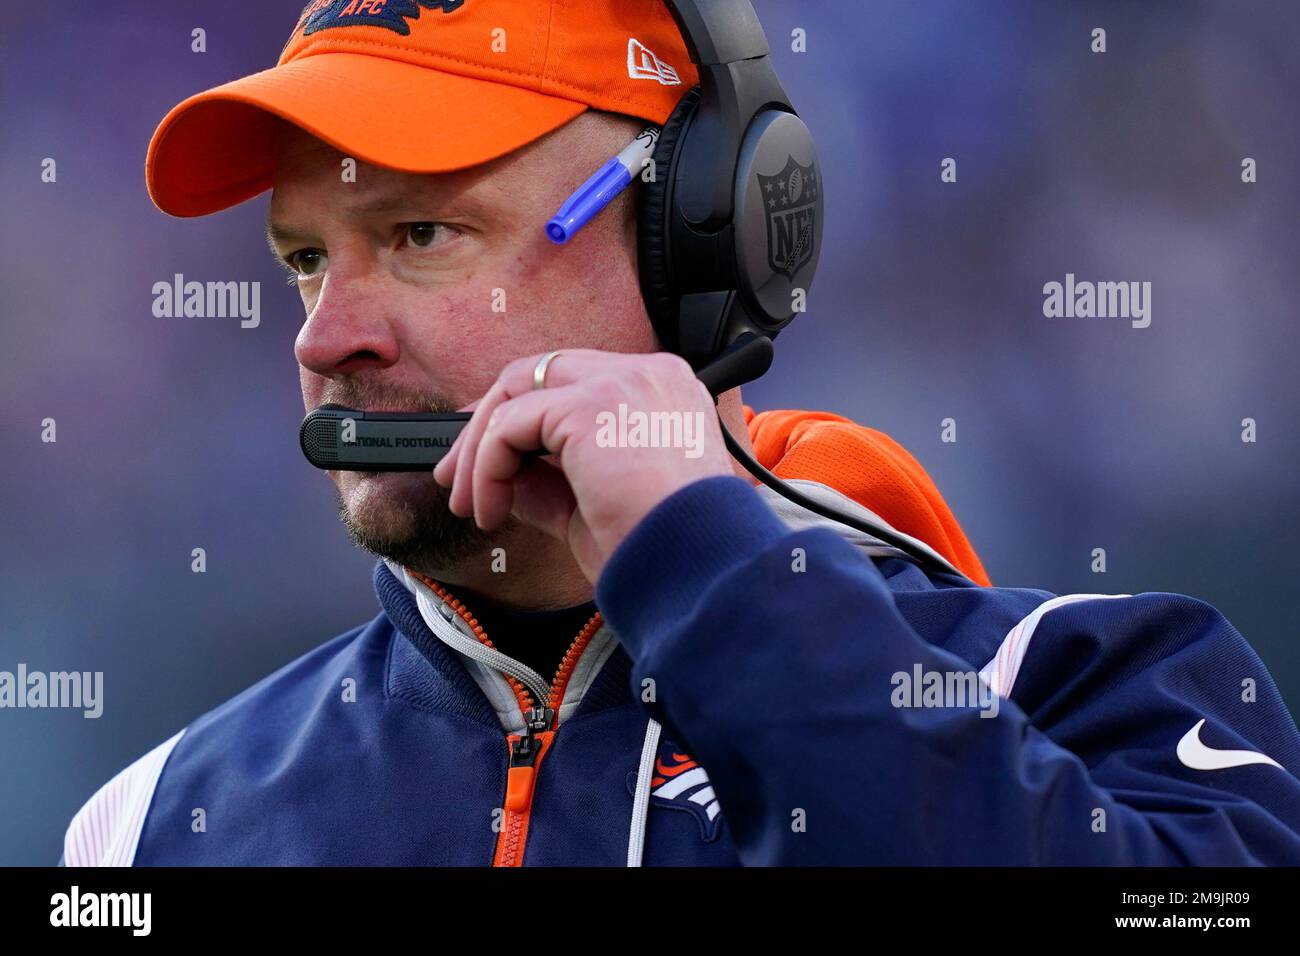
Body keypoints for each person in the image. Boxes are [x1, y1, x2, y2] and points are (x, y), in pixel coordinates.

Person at [63, 0, 1300, 866]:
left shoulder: (1098, 691)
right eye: (302, 260)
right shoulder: (145, 825)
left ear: (702, 236)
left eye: (419, 236)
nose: (323, 335)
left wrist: (711, 574)